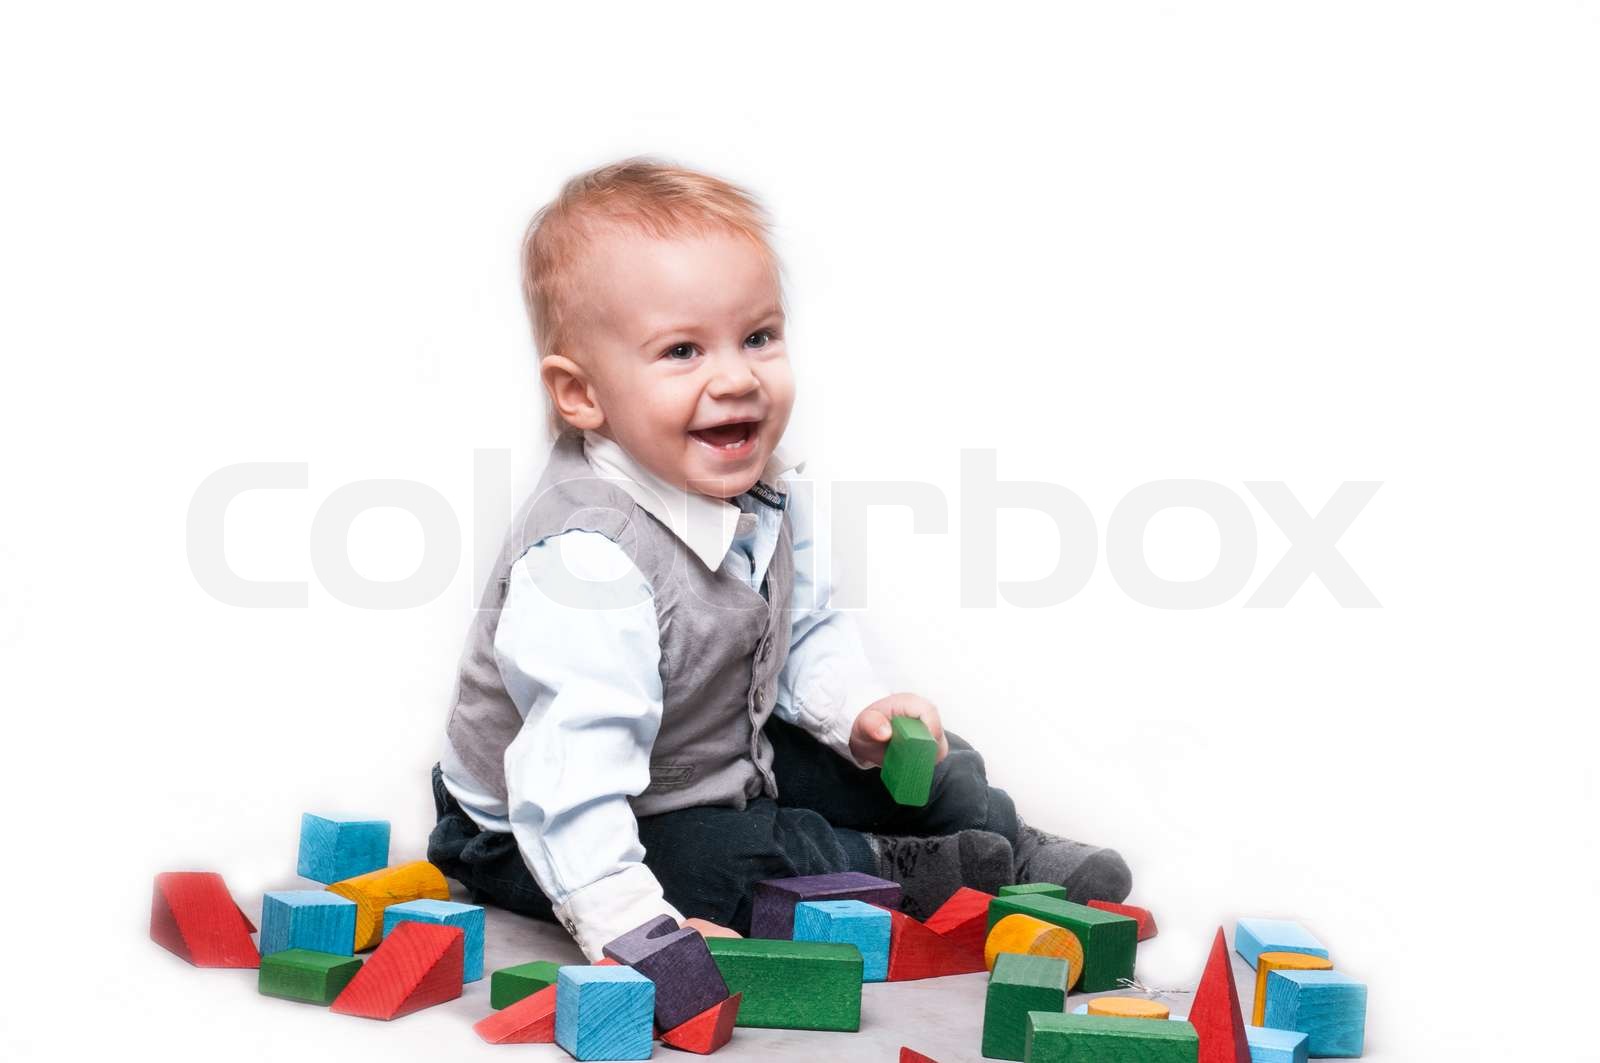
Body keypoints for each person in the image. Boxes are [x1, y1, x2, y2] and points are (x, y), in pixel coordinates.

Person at [428, 157, 1131, 959]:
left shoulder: (765, 491)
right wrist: (631, 930)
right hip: (543, 819)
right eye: (683, 351)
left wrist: (856, 709)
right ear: (583, 395)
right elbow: (570, 785)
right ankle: (900, 868)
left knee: (925, 753)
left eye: (757, 336)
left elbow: (801, 630)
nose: (737, 377)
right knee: (727, 862)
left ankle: (1004, 836)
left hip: (716, 750)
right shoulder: (588, 561)